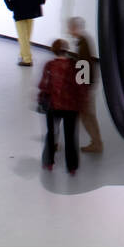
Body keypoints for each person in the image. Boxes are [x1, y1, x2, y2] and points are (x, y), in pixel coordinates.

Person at [38, 39, 82, 174]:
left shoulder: (49, 65)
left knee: (51, 134)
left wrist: (41, 99)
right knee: (70, 136)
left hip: (53, 105)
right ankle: (72, 167)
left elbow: (43, 85)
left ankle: (48, 162)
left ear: (54, 50)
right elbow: (81, 86)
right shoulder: (76, 65)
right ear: (66, 50)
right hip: (71, 106)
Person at [66, 17, 102, 153]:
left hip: (85, 87)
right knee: (88, 116)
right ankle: (96, 142)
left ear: (75, 28)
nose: (68, 30)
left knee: (87, 116)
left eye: (70, 28)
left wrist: (82, 89)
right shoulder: (83, 41)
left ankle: (97, 143)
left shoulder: (83, 43)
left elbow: (85, 66)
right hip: (86, 85)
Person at [3, 0, 48, 66]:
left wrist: (11, 7)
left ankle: (27, 59)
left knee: (23, 37)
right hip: (32, 12)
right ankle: (23, 55)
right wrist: (40, 1)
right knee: (27, 37)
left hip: (19, 13)